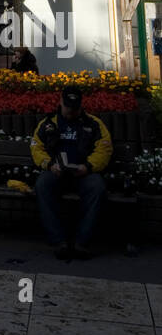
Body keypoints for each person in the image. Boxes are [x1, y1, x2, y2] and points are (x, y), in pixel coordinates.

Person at [31, 86, 112, 260]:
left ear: (81, 106)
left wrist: (88, 166)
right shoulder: (47, 124)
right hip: (56, 172)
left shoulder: (94, 124)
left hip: (84, 173)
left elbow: (104, 150)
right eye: (68, 107)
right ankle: (58, 241)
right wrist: (49, 164)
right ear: (60, 102)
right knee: (42, 184)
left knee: (97, 187)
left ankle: (82, 242)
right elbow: (36, 147)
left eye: (75, 108)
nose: (71, 111)